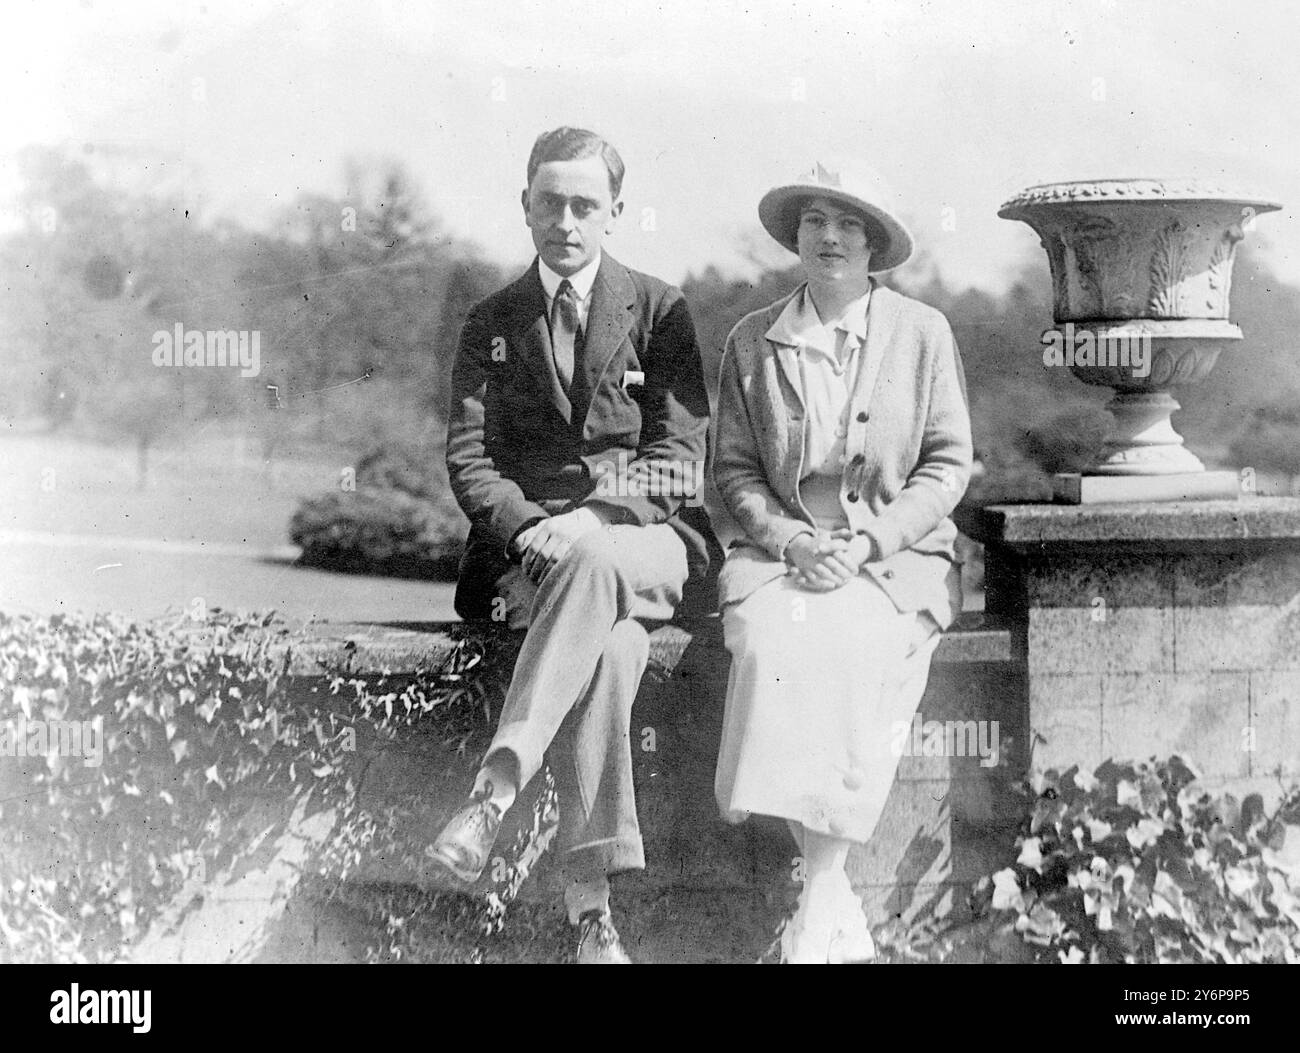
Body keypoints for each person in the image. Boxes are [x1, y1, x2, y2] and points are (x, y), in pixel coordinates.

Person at [431, 126, 718, 964]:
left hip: (650, 541)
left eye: (584, 204)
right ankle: (592, 911)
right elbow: (469, 458)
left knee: (594, 563)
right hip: (533, 562)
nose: (566, 219)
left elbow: (679, 459)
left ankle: (494, 791)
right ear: (525, 205)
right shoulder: (491, 321)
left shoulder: (662, 311)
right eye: (550, 201)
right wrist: (527, 530)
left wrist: (594, 519)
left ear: (615, 213)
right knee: (615, 654)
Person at [710, 162, 972, 963]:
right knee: (771, 642)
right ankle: (835, 904)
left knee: (857, 643)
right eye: (816, 220)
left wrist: (864, 542)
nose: (829, 236)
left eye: (848, 224)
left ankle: (819, 891)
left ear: (873, 244)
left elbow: (947, 463)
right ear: (797, 236)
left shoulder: (921, 332)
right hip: (780, 548)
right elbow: (732, 470)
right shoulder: (753, 340)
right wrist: (791, 541)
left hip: (890, 553)